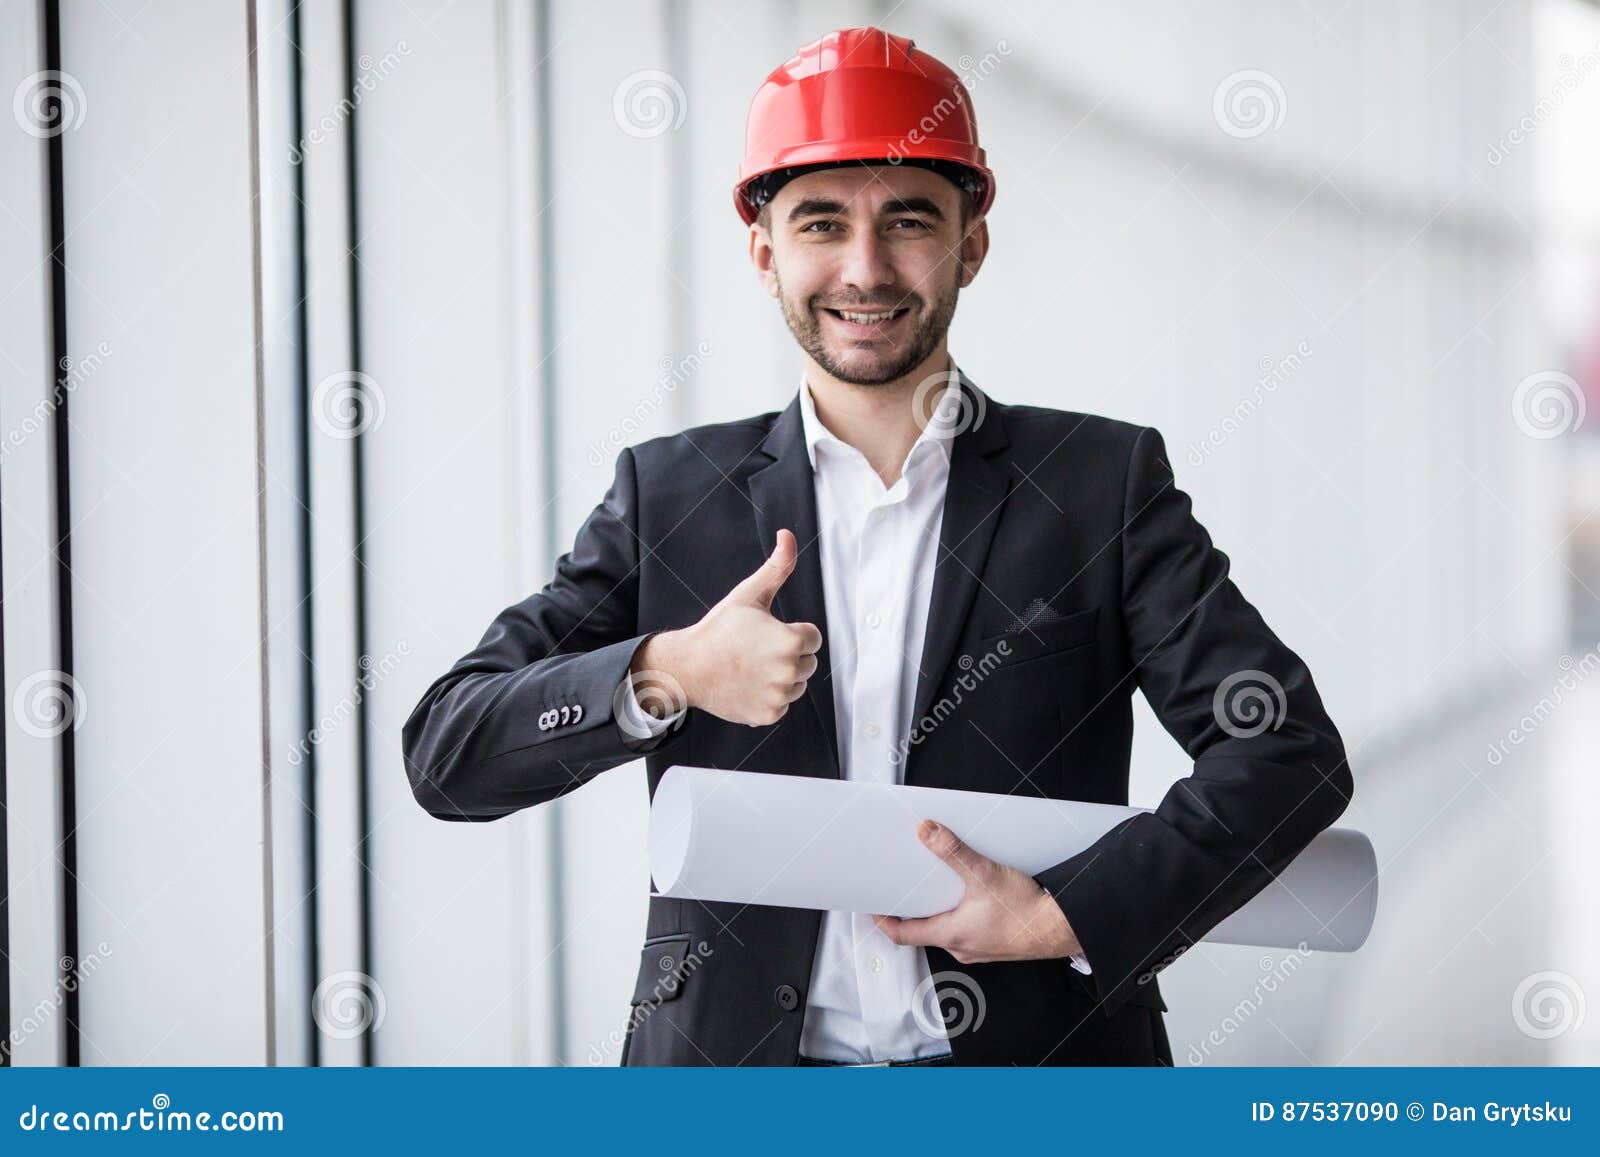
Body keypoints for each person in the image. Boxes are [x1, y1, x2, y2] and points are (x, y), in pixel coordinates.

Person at [401, 26, 1352, 1067]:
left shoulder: (1099, 485)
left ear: (970, 245)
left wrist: (1065, 912)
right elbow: (448, 751)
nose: (865, 268)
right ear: (765, 253)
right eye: (822, 222)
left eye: (908, 220)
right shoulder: (667, 496)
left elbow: (1287, 753)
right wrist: (667, 671)